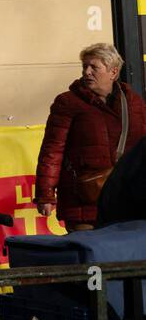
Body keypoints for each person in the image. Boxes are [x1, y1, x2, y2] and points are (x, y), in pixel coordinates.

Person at [35, 43, 146, 231]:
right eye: (84, 66)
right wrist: (45, 195)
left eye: (94, 67)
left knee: (125, 257)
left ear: (113, 72)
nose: (86, 72)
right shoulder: (67, 102)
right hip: (83, 201)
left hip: (125, 200)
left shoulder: (134, 103)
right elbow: (52, 150)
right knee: (89, 258)